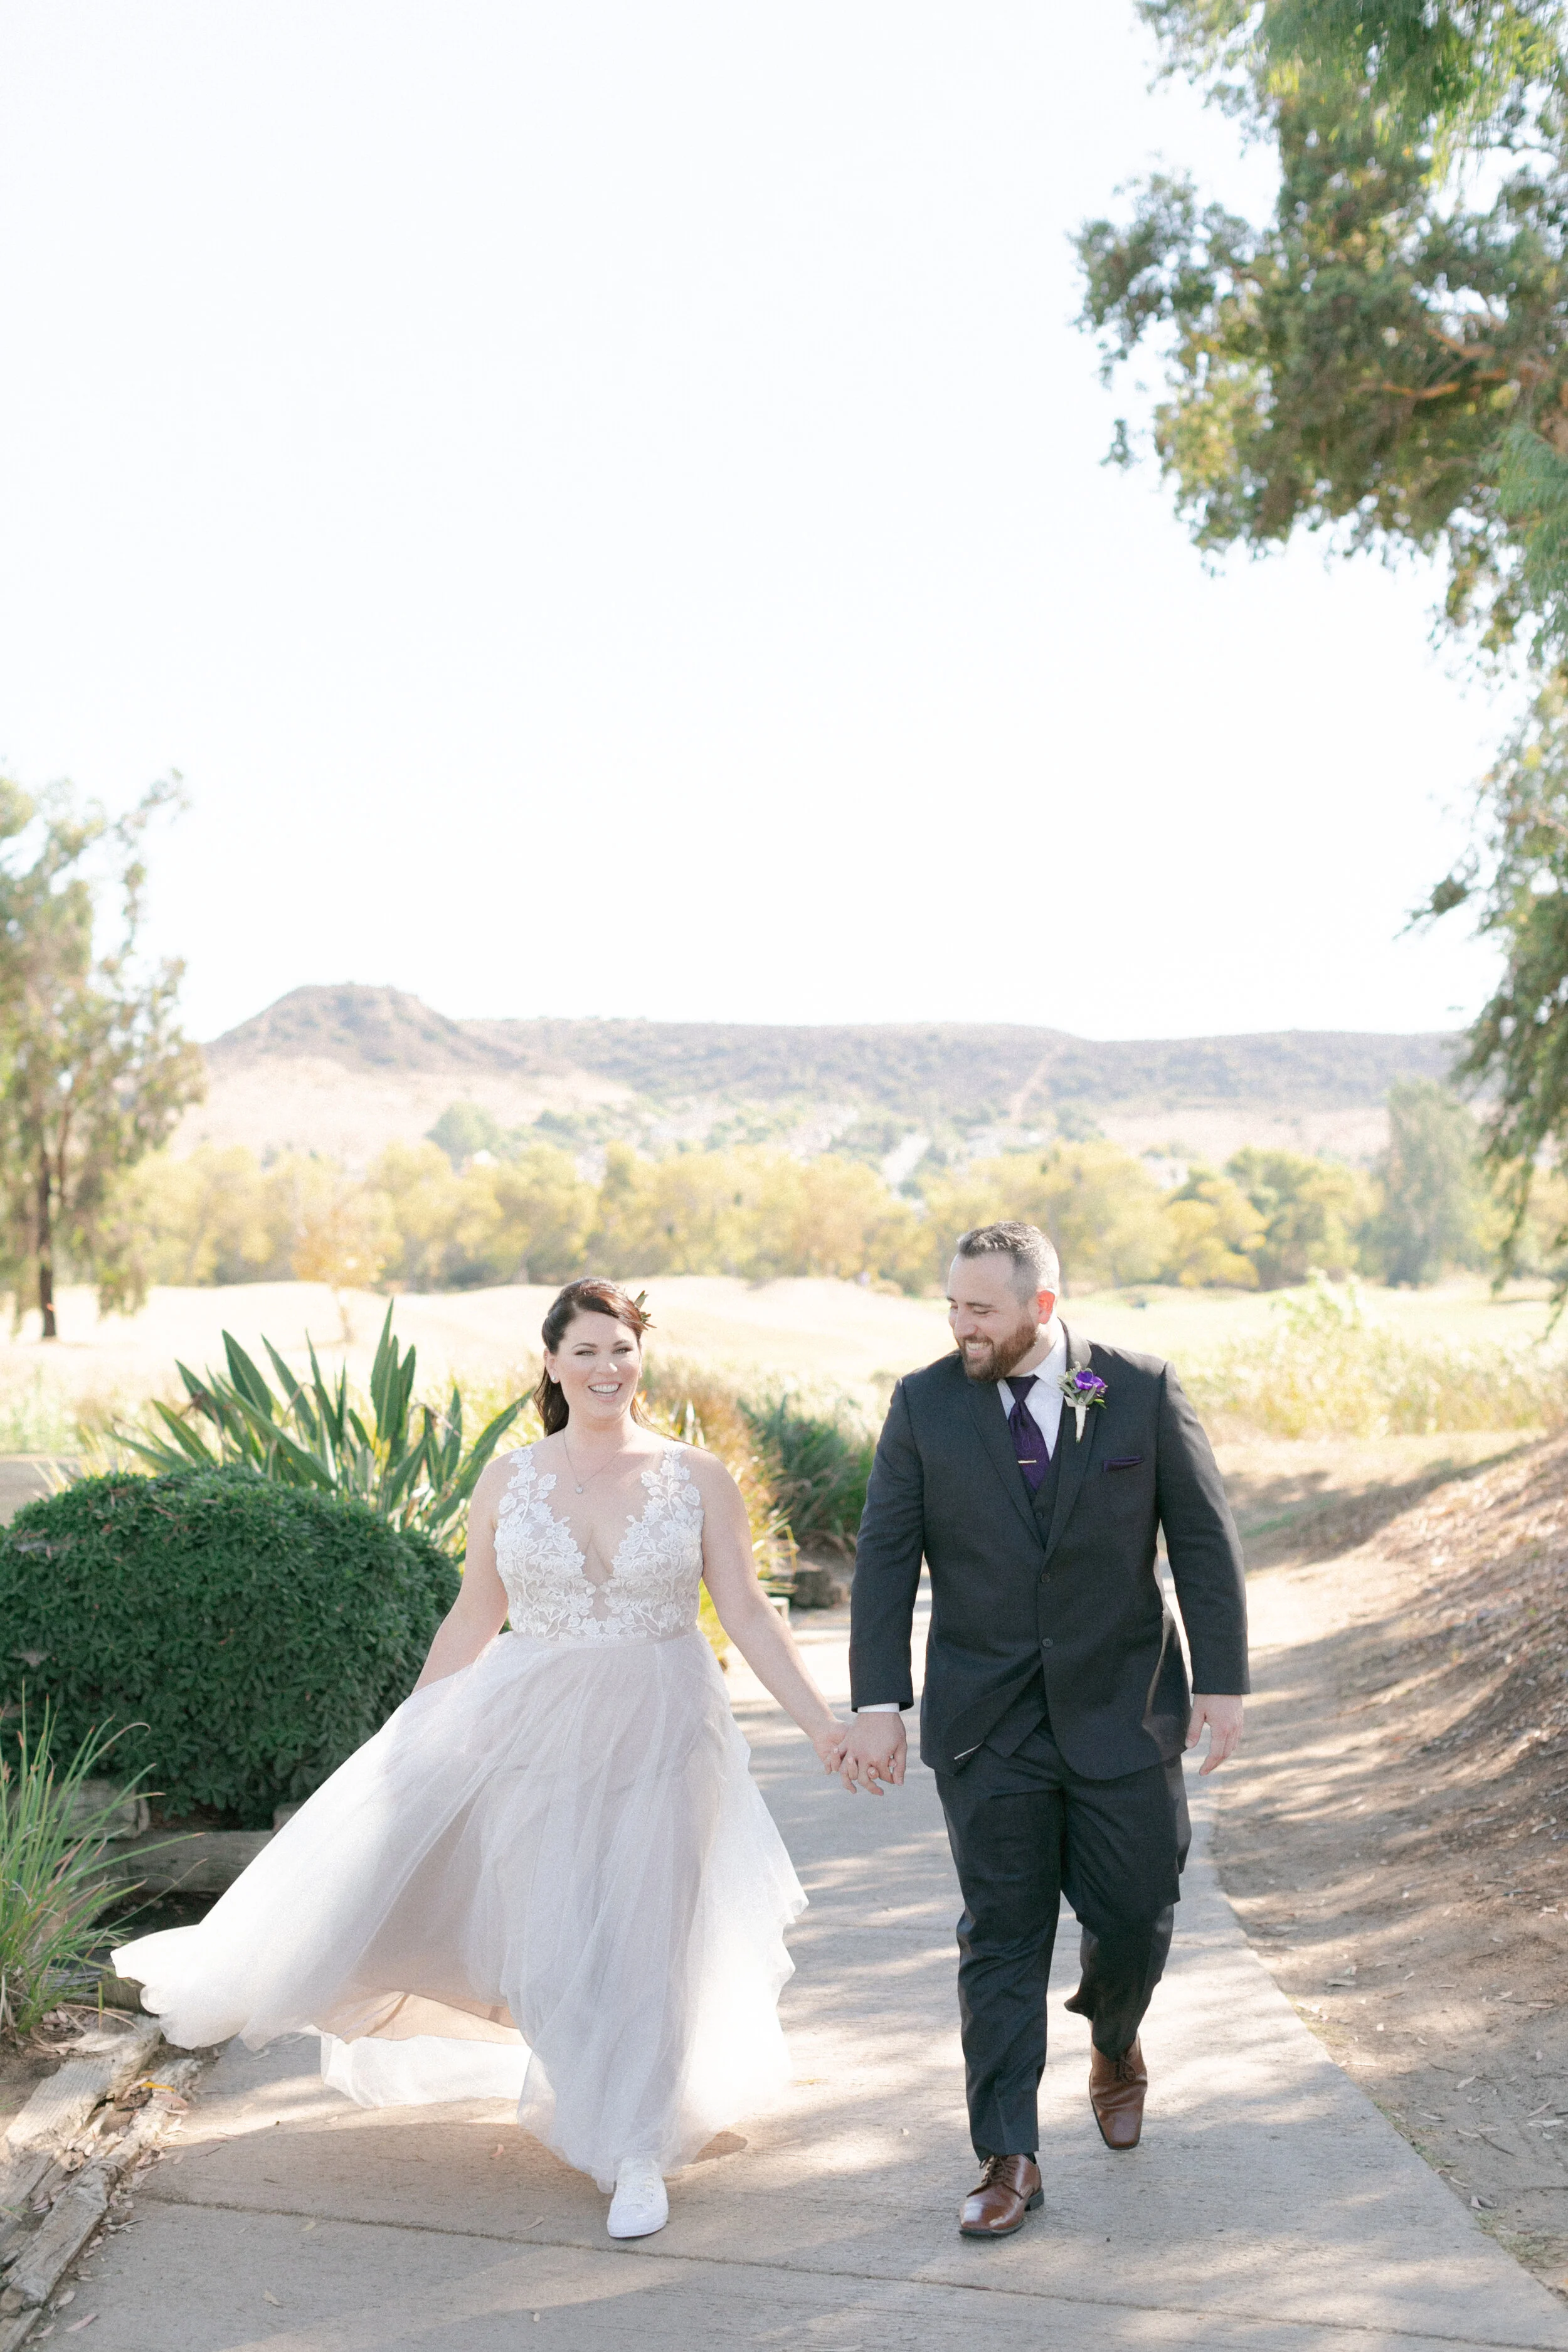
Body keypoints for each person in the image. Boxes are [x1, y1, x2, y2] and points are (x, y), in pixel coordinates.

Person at [117, 1278, 846, 2242]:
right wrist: (412, 1735)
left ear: (642, 1357)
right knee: (556, 1930)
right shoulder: (510, 1478)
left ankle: (633, 2148)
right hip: (534, 1730)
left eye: (622, 1348)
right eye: (585, 1350)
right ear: (550, 1362)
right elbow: (476, 1612)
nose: (606, 1367)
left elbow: (748, 1612)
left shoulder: (697, 1476)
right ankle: (599, 2091)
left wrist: (824, 1726)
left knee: (650, 1936)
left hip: (666, 1730)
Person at [837, 1222, 1248, 2239]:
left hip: (1125, 1707)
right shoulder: (924, 1402)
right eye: (952, 1305)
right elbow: (887, 1556)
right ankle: (1008, 2153)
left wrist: (1225, 1680)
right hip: (989, 1724)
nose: (960, 1325)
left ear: (1042, 1310)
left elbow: (1200, 1535)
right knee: (1002, 1936)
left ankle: (1115, 2035)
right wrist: (878, 1702)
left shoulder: (1139, 1389)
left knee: (1139, 1909)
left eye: (980, 1309)